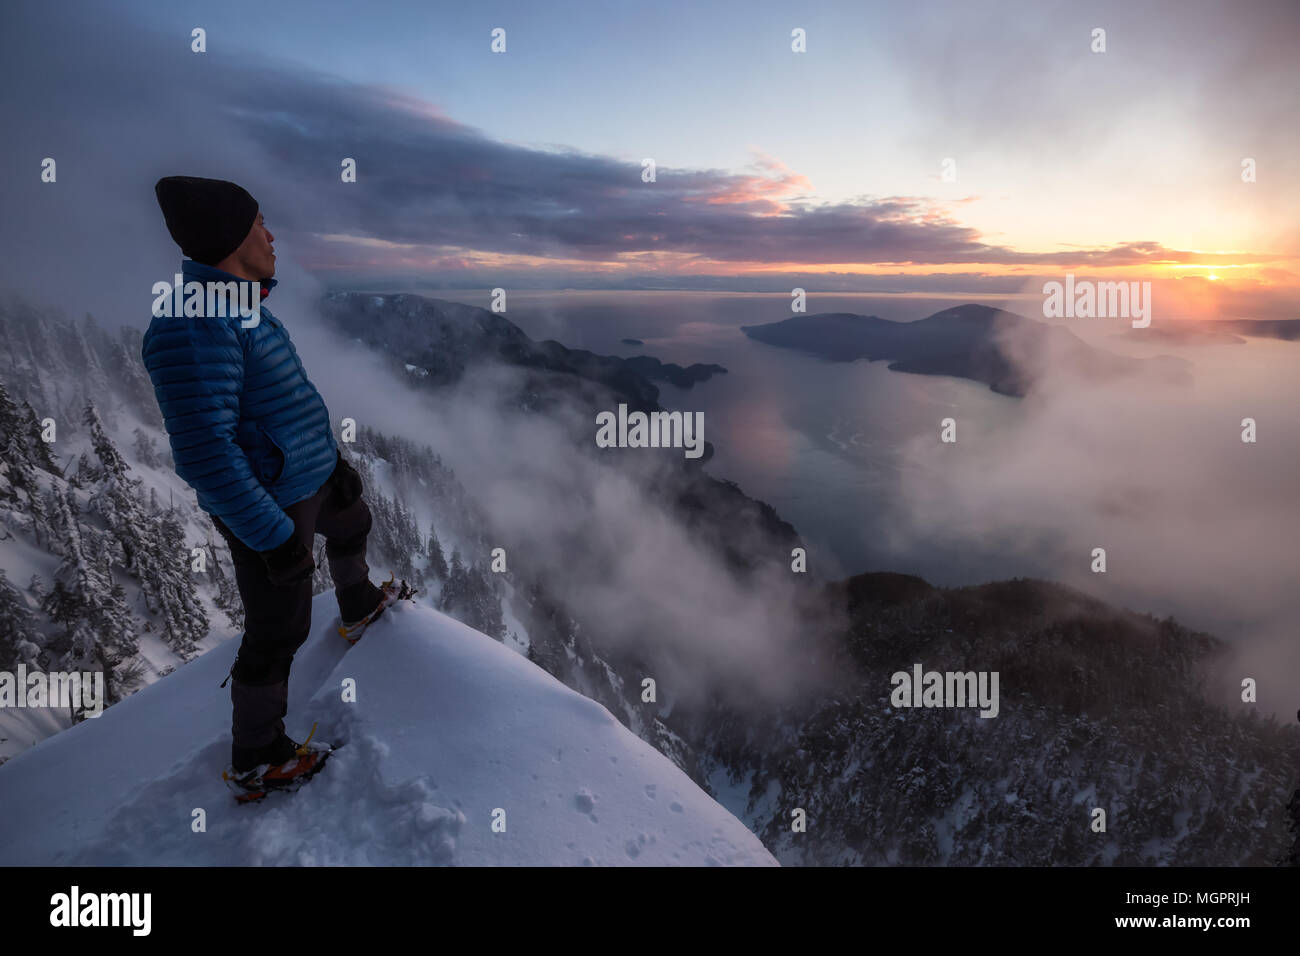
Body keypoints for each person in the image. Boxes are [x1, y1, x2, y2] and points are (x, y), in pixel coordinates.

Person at [142, 175, 406, 799]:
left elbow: (284, 403)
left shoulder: (240, 306)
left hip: (308, 477)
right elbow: (206, 453)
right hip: (271, 503)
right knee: (278, 628)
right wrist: (273, 536)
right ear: (233, 237)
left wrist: (332, 462)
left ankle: (357, 603)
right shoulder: (192, 324)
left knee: (353, 523)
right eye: (260, 221)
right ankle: (257, 754)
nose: (273, 233)